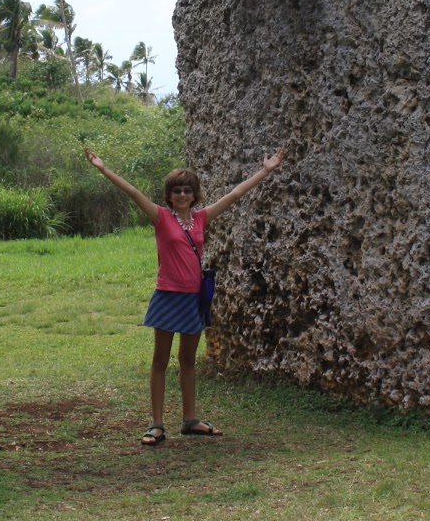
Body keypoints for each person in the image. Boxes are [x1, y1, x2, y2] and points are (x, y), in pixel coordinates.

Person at [83, 144, 286, 446]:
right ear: (169, 195)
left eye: (187, 191)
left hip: (193, 298)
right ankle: (156, 424)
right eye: (176, 190)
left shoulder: (201, 218)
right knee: (160, 362)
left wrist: (265, 172)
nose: (181, 195)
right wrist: (103, 169)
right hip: (167, 296)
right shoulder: (162, 218)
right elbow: (134, 194)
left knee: (188, 361)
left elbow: (234, 196)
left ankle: (190, 420)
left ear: (194, 194)